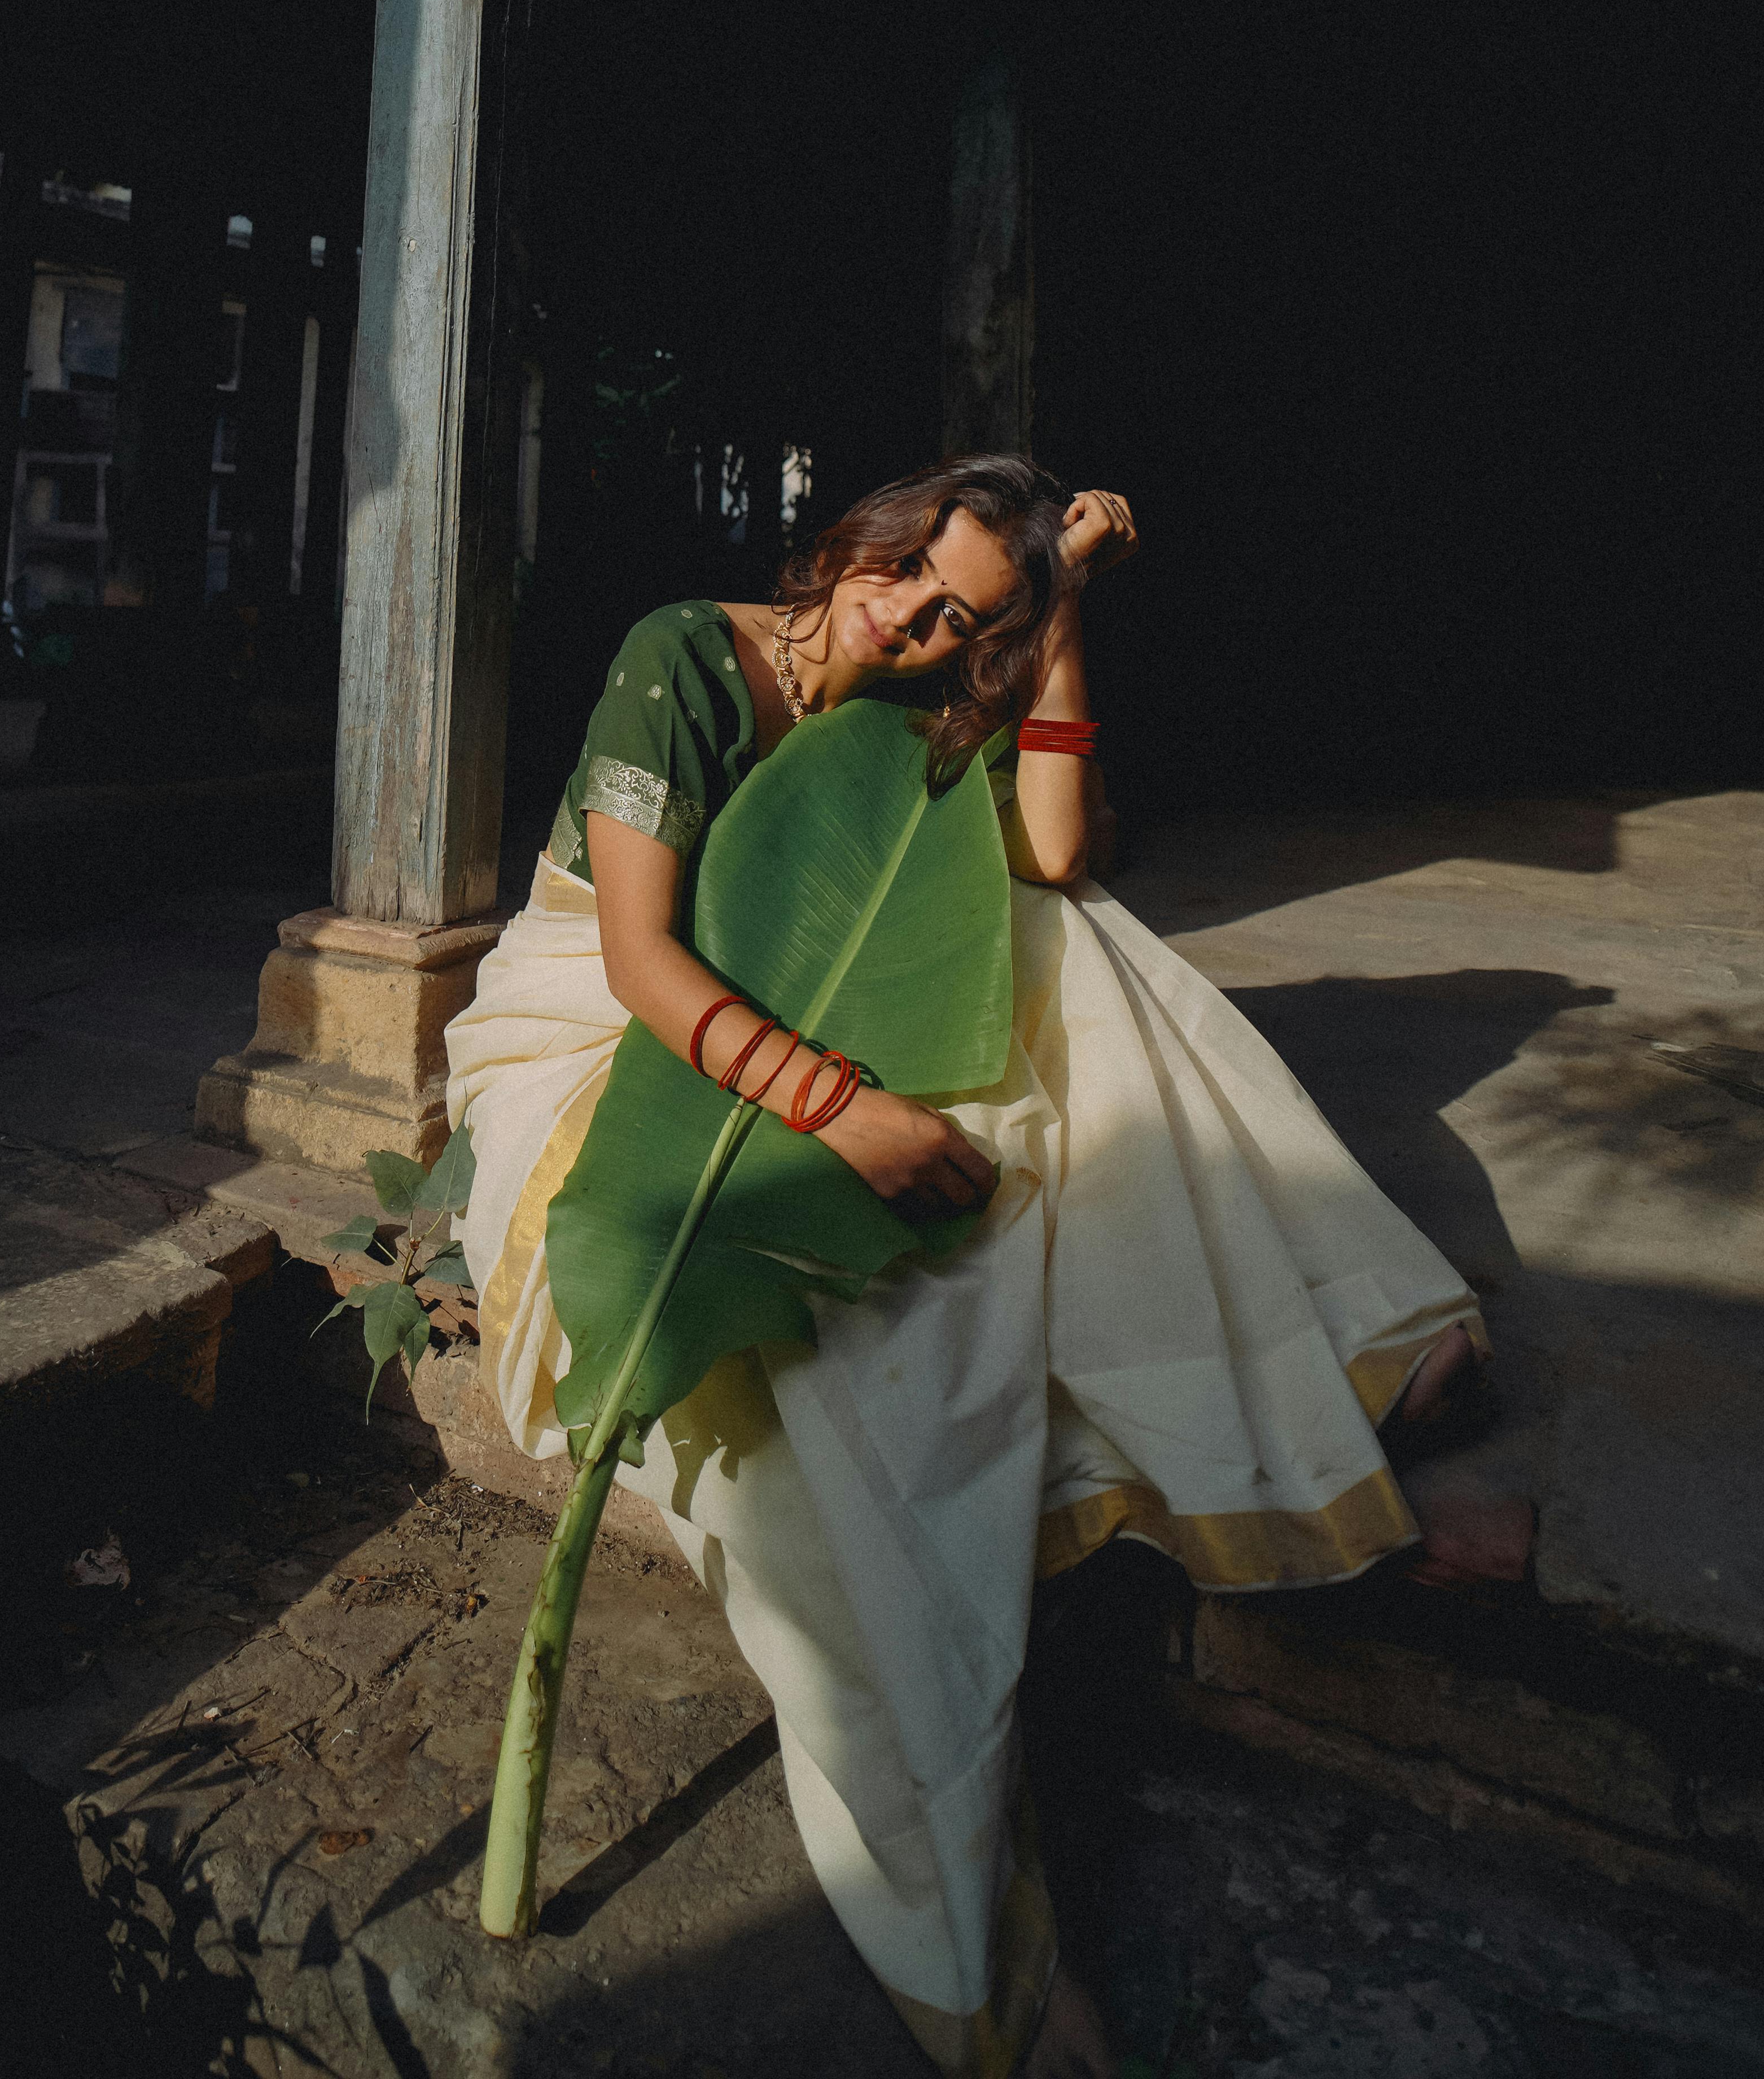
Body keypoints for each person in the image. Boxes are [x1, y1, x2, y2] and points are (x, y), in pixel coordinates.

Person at [448, 456, 1500, 2079]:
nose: (911, 623)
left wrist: (1058, 613)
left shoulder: (931, 702)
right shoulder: (686, 655)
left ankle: (1339, 1350)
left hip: (824, 1021)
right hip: (612, 1040)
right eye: (900, 578)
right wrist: (839, 1110)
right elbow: (643, 956)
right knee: (861, 1369)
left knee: (1065, 943)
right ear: (852, 538)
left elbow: (1062, 853)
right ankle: (972, 1935)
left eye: (959, 623)